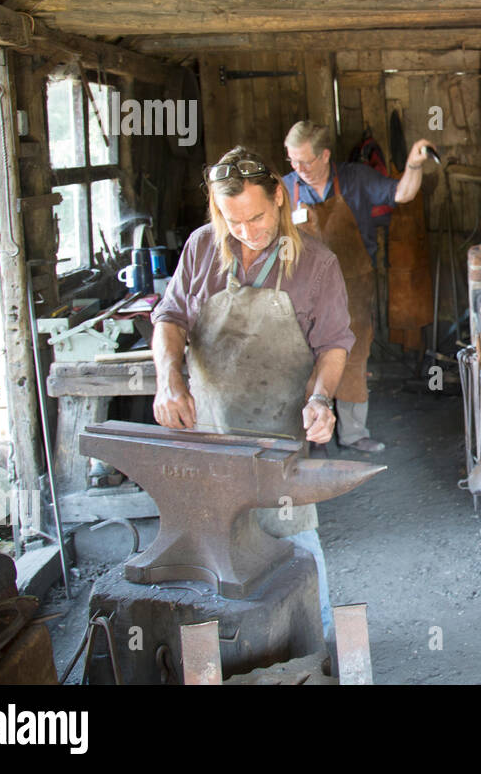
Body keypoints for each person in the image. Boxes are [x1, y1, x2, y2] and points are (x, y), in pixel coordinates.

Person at [151, 146, 353, 637]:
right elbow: (170, 318)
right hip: (209, 435)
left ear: (279, 198)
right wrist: (168, 380)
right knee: (211, 556)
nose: (247, 232)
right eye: (232, 220)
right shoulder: (202, 247)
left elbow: (333, 346)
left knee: (296, 548)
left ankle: (318, 642)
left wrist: (321, 400)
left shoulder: (317, 265)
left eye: (257, 217)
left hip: (277, 441)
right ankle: (223, 649)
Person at [281, 120, 435, 452]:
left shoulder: (355, 179)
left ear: (324, 156)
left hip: (352, 286)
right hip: (303, 291)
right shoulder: (284, 190)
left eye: (305, 161)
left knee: (353, 355)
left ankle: (352, 433)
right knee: (303, 358)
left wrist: (412, 165)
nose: (298, 168)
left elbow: (403, 193)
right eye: (292, 161)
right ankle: (309, 436)